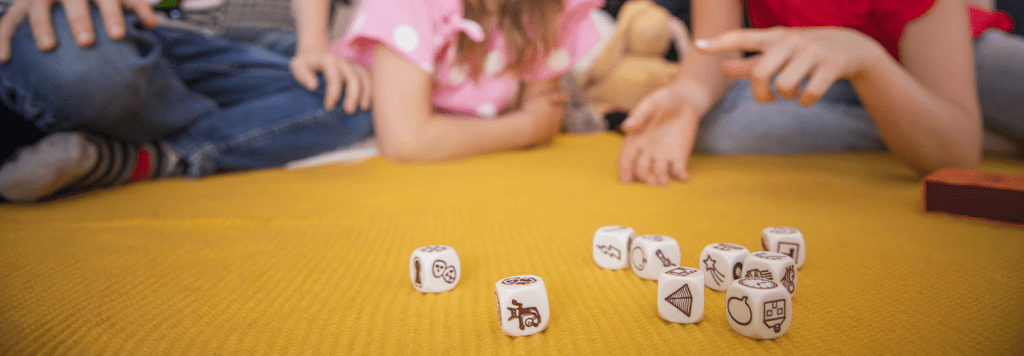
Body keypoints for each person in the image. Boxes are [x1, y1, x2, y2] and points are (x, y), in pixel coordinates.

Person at [0, 0, 373, 202]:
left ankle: (145, 159)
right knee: (87, 71)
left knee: (362, 89)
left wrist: (313, 45)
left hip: (230, 39)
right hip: (115, 26)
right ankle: (236, 124)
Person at [618, 0, 1022, 186]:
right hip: (816, 77)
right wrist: (687, 95)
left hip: (950, 57)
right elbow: (713, 48)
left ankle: (935, 120)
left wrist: (868, 60)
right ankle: (920, 126)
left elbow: (955, 160)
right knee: (716, 132)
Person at [301, 0, 602, 162]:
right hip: (342, 98)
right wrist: (526, 128)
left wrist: (535, 122)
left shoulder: (543, 10)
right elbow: (407, 142)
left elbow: (544, 106)